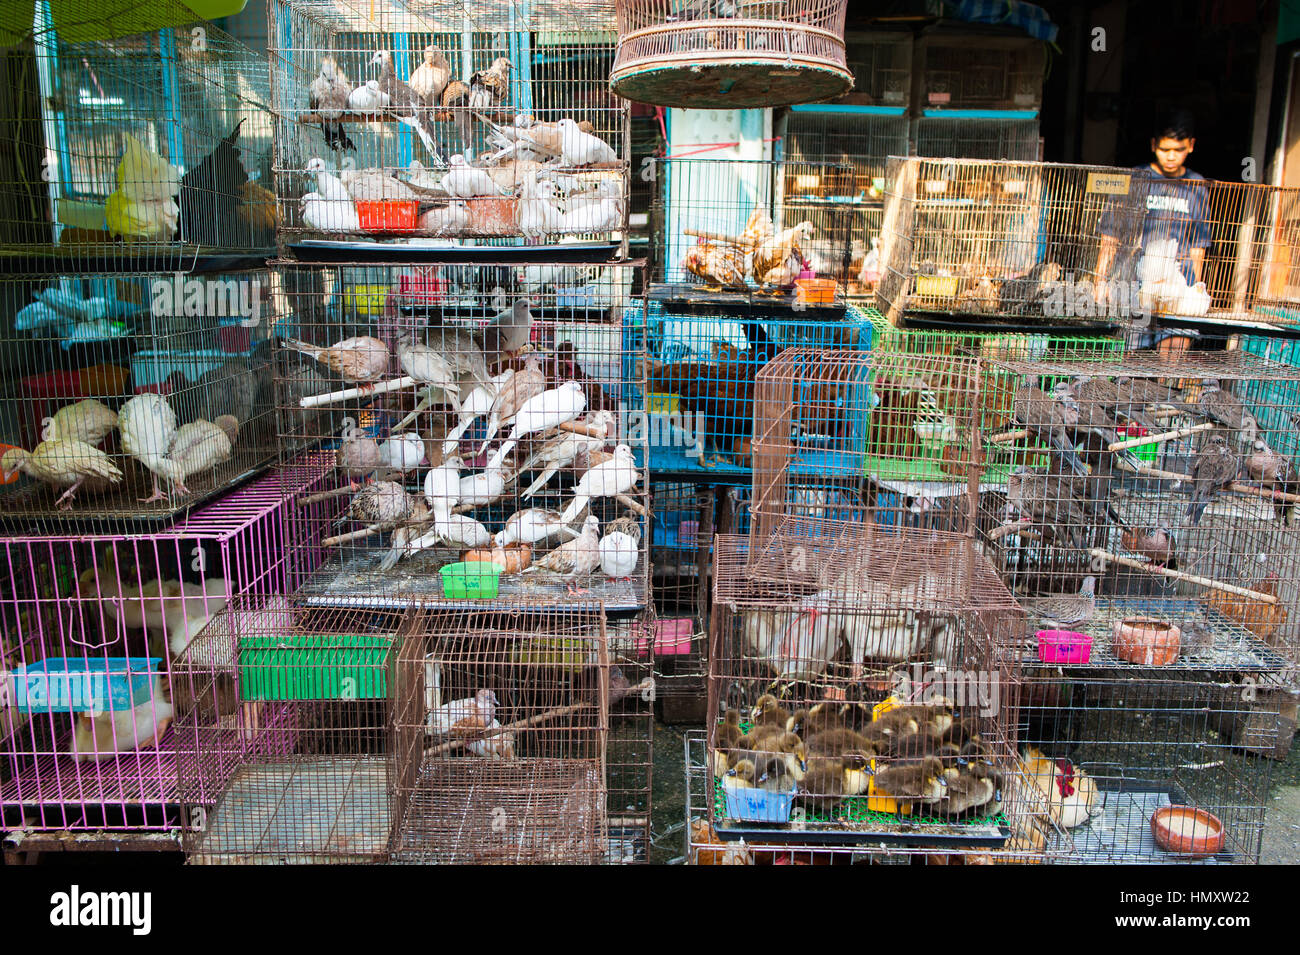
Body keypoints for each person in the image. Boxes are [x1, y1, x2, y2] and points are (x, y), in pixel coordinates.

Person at [1094, 109, 1212, 303]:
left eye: (1179, 150)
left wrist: (1195, 289)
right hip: (1134, 280)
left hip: (1178, 284)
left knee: (1179, 334)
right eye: (1165, 150)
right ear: (1153, 144)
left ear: (1191, 146)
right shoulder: (1134, 179)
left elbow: (1198, 246)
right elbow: (1110, 235)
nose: (1171, 157)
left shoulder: (1196, 185)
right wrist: (1100, 281)